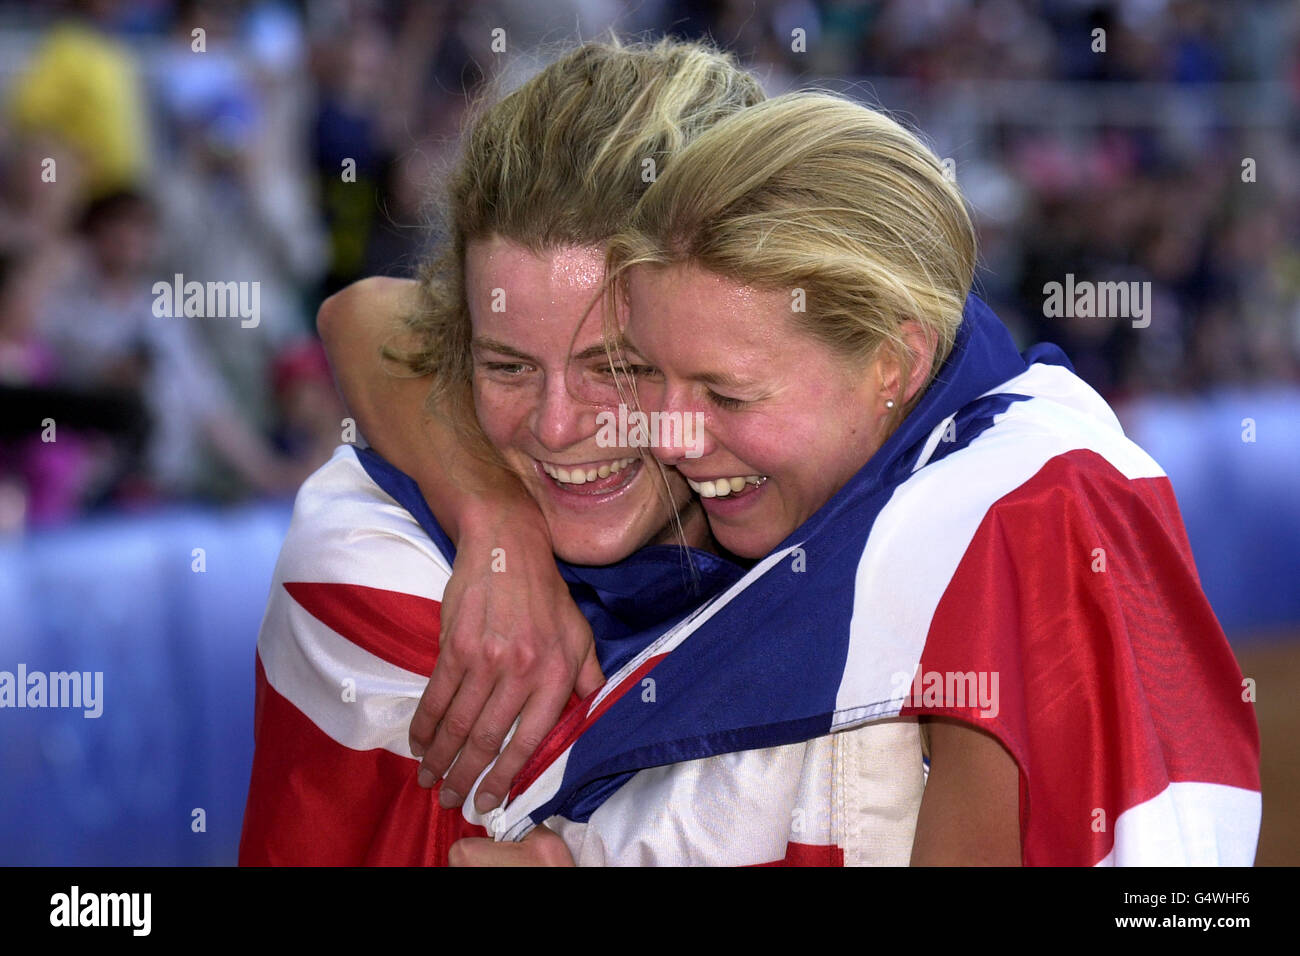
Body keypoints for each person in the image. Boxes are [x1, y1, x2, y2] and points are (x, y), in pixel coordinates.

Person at [448, 92, 1261, 865]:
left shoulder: (1021, 522)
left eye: (727, 393)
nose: (669, 437)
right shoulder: (909, 445)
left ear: (892, 364)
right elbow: (378, 315)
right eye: (648, 373)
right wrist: (495, 518)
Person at [238, 38, 768, 865]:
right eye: (507, 365)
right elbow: (369, 311)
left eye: (618, 368)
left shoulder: (846, 508)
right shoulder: (385, 574)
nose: (556, 426)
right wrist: (493, 513)